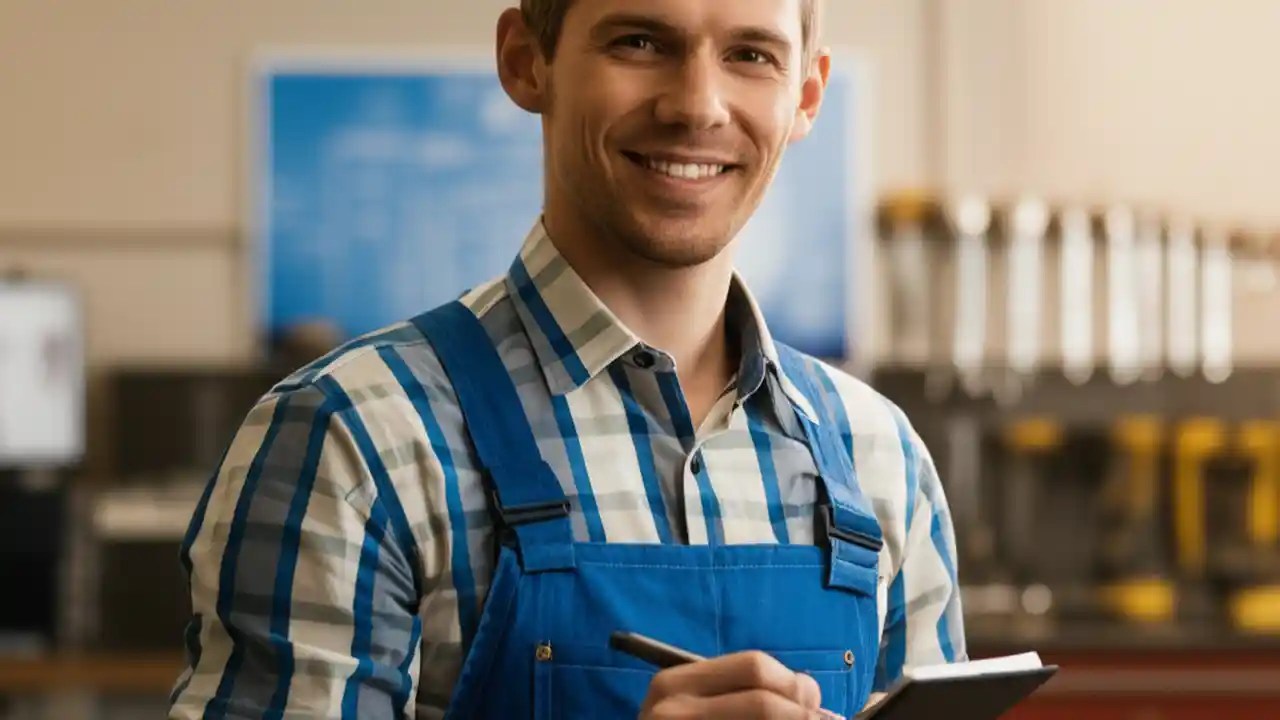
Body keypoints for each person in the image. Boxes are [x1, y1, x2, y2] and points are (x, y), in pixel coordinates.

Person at [168, 0, 965, 717]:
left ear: (806, 93)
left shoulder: (881, 461)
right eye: (641, 40)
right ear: (525, 59)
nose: (697, 105)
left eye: (751, 55)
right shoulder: (352, 443)